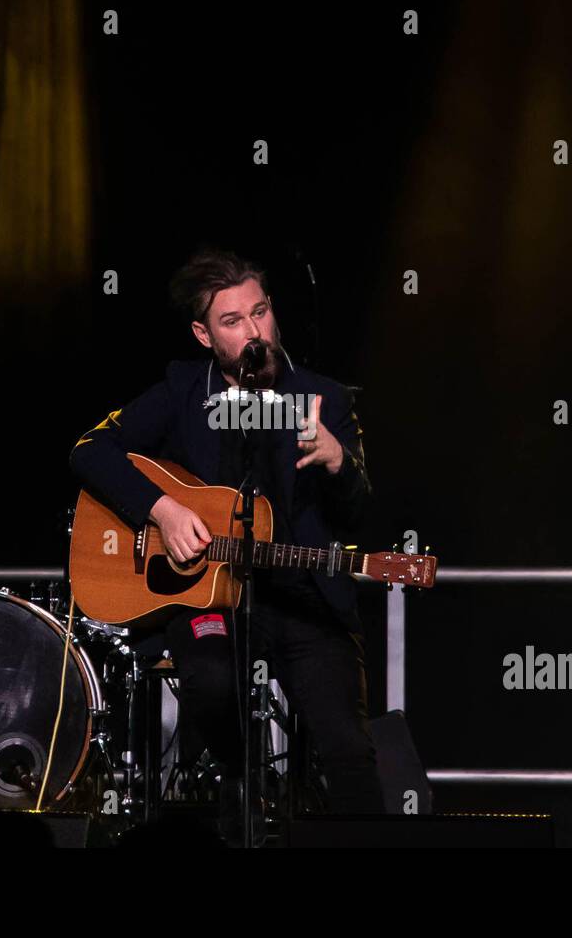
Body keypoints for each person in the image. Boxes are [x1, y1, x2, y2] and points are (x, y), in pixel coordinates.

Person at [68, 247, 385, 839]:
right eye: (232, 321)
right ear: (203, 334)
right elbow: (88, 451)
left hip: (304, 598)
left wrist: (341, 463)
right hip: (210, 598)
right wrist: (161, 510)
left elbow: (359, 513)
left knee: (348, 746)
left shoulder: (324, 399)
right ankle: (239, 793)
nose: (253, 330)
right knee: (211, 684)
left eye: (260, 312)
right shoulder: (183, 390)